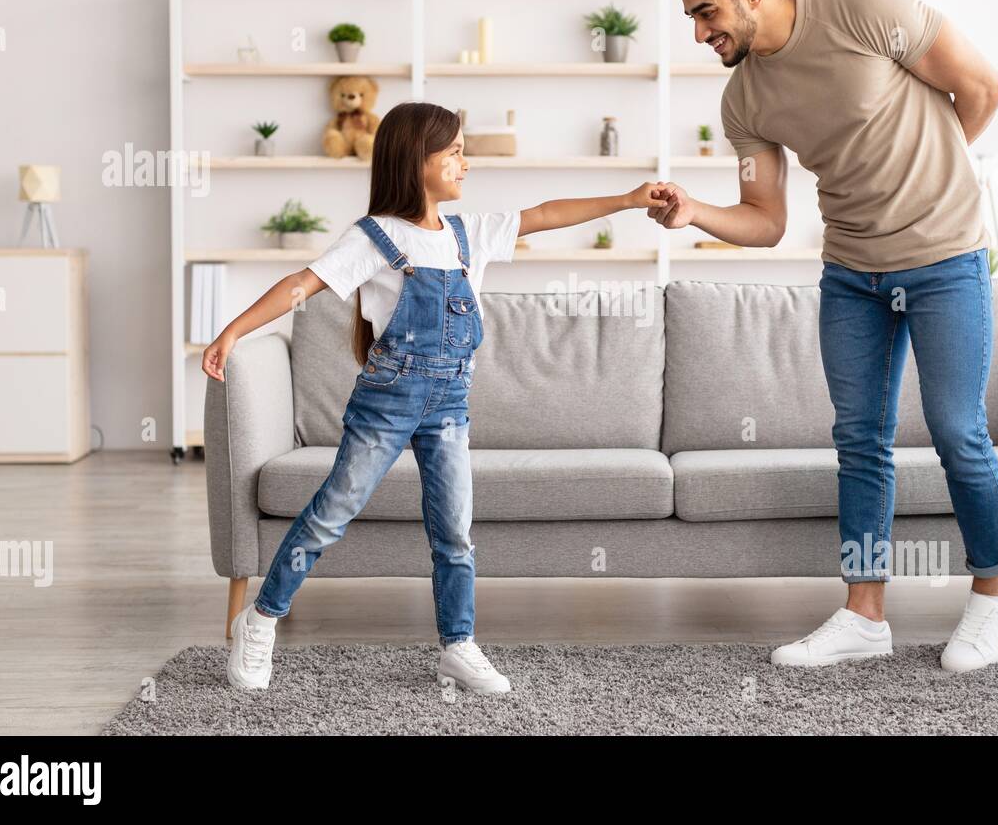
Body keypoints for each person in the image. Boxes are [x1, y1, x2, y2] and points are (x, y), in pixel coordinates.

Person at [203, 101, 667, 694]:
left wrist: (627, 199)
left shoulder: (466, 235)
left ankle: (458, 643)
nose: (464, 162)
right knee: (330, 515)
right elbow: (301, 285)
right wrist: (233, 332)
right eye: (453, 152)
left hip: (448, 404)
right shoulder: (374, 238)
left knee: (454, 531)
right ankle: (261, 620)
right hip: (386, 404)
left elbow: (547, 214)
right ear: (413, 160)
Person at [653, 0, 998, 673]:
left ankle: (989, 598)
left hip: (946, 258)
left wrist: (934, 183)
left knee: (956, 430)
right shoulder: (743, 101)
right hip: (853, 274)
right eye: (691, 17)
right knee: (860, 441)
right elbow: (766, 220)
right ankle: (864, 613)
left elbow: (982, 87)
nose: (699, 31)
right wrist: (696, 214)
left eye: (706, 11)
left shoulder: (864, 8)